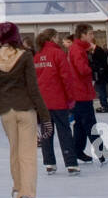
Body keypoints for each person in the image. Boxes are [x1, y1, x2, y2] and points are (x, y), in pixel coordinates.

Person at [0, 22, 50, 198]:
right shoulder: (25, 56)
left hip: (6, 110)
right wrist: (45, 117)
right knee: (28, 155)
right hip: (25, 108)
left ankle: (17, 192)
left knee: (14, 152)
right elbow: (34, 89)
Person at [32, 28, 77, 175]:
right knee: (64, 131)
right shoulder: (58, 53)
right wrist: (70, 98)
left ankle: (49, 163)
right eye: (57, 37)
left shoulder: (37, 56)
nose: (59, 39)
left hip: (43, 102)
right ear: (52, 38)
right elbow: (66, 77)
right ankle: (70, 163)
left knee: (46, 132)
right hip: (58, 100)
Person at [66, 25, 108, 163]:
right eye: (90, 33)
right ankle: (102, 152)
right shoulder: (77, 49)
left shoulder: (78, 48)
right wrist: (92, 68)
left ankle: (76, 151)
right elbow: (82, 69)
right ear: (83, 35)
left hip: (80, 91)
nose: (92, 36)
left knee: (80, 123)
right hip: (81, 91)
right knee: (89, 122)